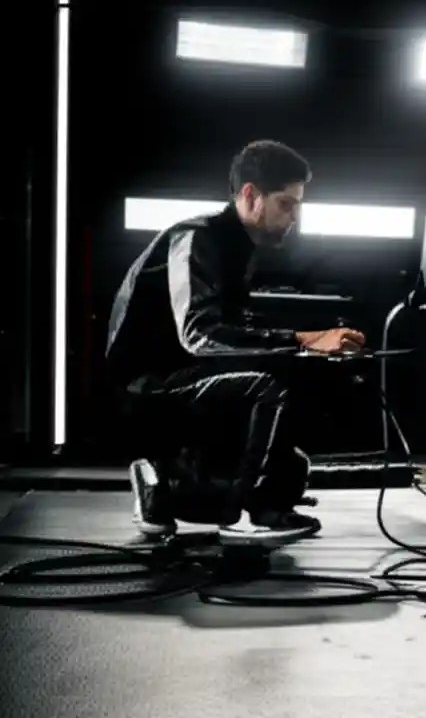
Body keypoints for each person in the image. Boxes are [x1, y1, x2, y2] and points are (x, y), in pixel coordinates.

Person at [105, 139, 365, 543]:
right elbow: (201, 335)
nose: (294, 216)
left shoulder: (238, 247)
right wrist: (304, 338)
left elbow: (229, 333)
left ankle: (168, 479)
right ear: (250, 195)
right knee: (264, 387)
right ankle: (241, 515)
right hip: (146, 390)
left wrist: (306, 347)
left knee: (291, 465)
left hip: (187, 379)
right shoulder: (195, 239)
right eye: (286, 204)